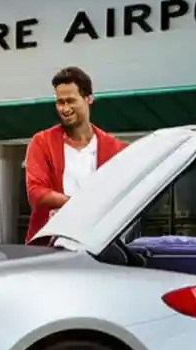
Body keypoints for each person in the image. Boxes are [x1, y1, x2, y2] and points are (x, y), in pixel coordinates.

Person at [24, 66, 127, 243]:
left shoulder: (115, 148)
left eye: (71, 101)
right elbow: (36, 192)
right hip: (49, 246)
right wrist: (80, 205)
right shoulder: (41, 142)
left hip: (99, 243)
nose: (65, 108)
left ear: (89, 99)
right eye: (60, 102)